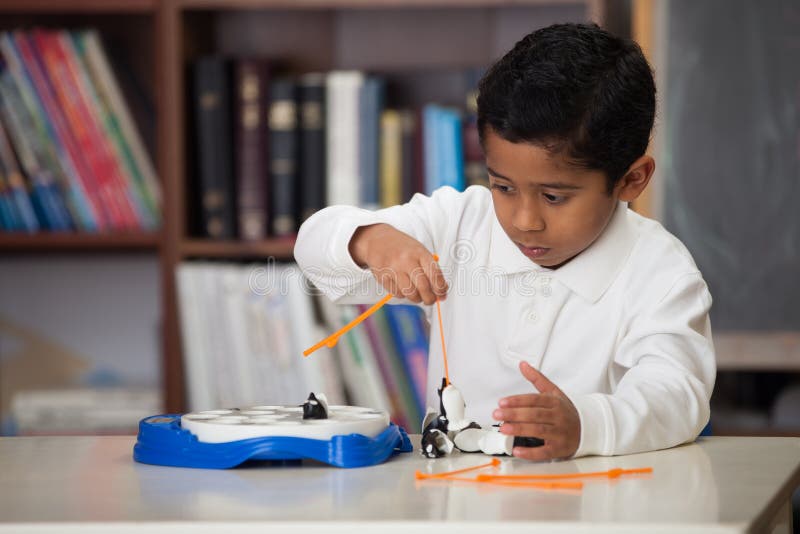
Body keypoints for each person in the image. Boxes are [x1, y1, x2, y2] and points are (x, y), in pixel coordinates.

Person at [294, 22, 715, 460]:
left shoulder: (659, 271)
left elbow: (678, 394)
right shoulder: (459, 224)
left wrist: (588, 425)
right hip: (452, 503)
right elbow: (315, 245)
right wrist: (371, 241)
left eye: (554, 196)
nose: (524, 220)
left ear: (631, 180)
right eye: (503, 187)